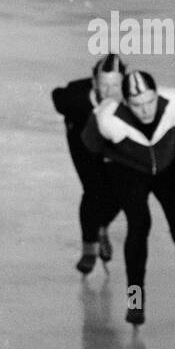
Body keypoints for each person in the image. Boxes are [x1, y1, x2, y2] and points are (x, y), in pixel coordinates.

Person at [82, 70, 175, 326]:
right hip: (127, 169)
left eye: (150, 102)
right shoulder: (107, 117)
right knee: (139, 226)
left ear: (157, 94)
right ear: (126, 102)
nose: (146, 110)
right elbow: (90, 144)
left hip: (168, 166)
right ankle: (135, 302)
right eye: (137, 105)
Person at [52, 55, 126, 274]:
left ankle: (101, 226)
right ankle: (89, 250)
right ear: (94, 83)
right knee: (94, 190)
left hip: (112, 142)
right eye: (104, 84)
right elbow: (58, 97)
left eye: (116, 85)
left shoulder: (133, 95)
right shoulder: (77, 95)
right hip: (82, 141)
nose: (110, 91)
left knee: (122, 190)